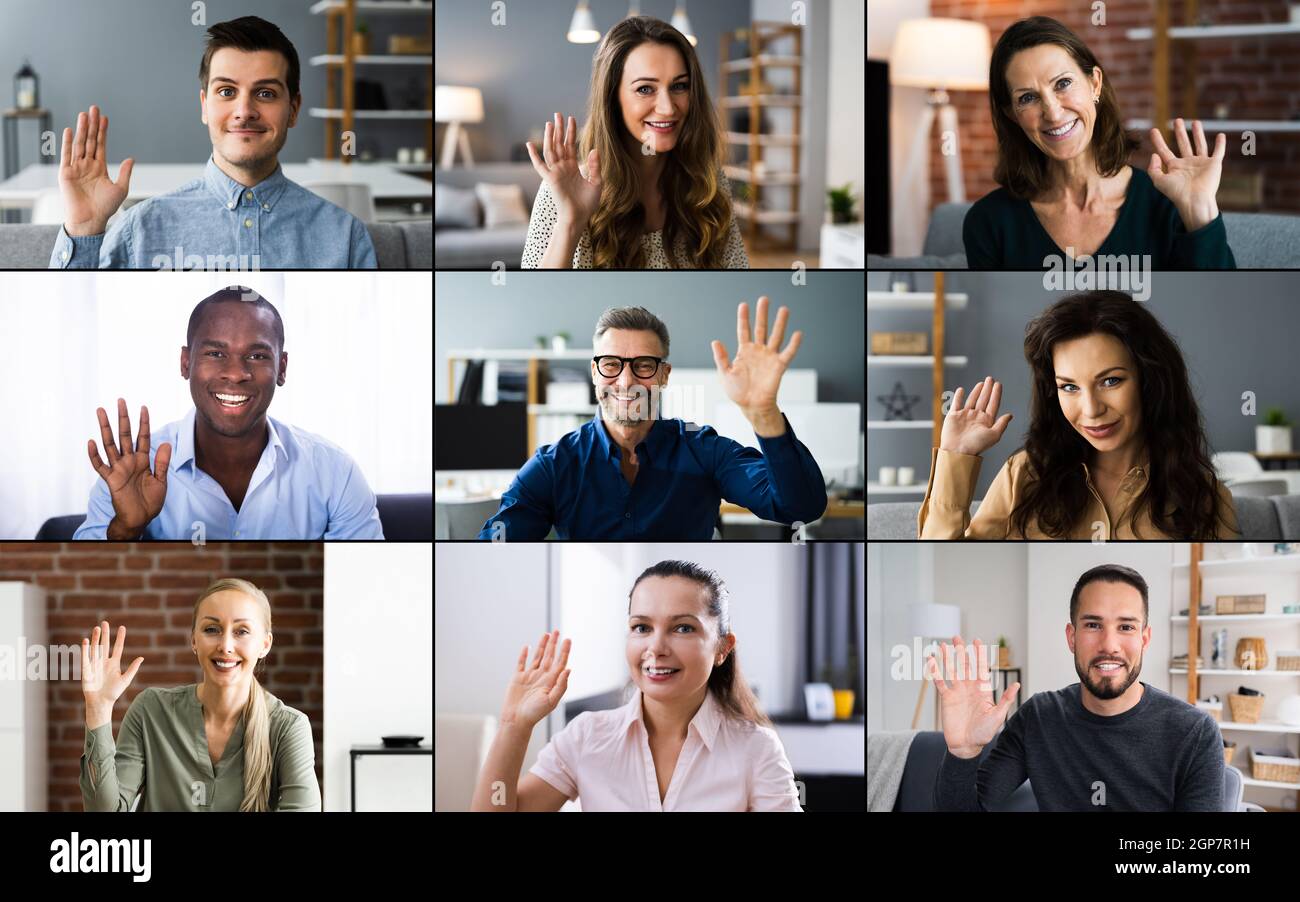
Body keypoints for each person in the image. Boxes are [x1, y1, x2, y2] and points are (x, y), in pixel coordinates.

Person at [477, 300, 826, 539]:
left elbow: (799, 507)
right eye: (612, 364)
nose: (626, 381)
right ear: (595, 373)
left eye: (643, 365)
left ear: (664, 375)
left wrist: (763, 413)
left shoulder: (702, 448)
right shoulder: (555, 465)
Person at [469, 560, 801, 811]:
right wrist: (514, 726)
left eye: (683, 628)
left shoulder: (756, 748)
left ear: (722, 649)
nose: (656, 648)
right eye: (641, 627)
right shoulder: (586, 736)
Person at [50, 16, 376, 270]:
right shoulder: (142, 230)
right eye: (227, 91)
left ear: (293, 109)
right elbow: (66, 329)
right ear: (204, 105)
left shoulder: (345, 236)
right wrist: (84, 228)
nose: (244, 111)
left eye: (265, 93)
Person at [918, 291, 1237, 539]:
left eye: (1110, 381)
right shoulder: (1025, 475)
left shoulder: (1206, 497)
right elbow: (948, 565)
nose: (1091, 409)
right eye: (1069, 387)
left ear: (1150, 380)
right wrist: (956, 456)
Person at [74, 286, 383, 540]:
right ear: (186, 363)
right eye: (216, 353)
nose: (236, 373)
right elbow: (84, 583)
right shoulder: (131, 470)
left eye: (257, 355)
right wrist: (126, 529)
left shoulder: (335, 473)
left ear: (282, 368)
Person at [930, 564, 1224, 812]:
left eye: (1126, 627)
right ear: (1072, 637)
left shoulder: (1195, 733)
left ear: (1144, 639)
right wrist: (963, 751)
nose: (1109, 645)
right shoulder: (1038, 717)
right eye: (1093, 625)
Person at [962, 16, 1235, 269]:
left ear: (1095, 84)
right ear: (1013, 116)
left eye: (1063, 83)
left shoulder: (1167, 205)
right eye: (1028, 98)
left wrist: (1199, 213)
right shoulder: (989, 222)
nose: (1053, 113)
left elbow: (1222, 309)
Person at [521, 15, 747, 269]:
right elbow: (543, 298)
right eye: (645, 89)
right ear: (612, 98)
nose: (667, 108)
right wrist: (570, 222)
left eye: (680, 86)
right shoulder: (563, 191)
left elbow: (738, 268)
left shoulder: (709, 182)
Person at [80, 578, 321, 811]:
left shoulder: (288, 727)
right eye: (212, 629)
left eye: (242, 631)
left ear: (265, 645)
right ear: (194, 640)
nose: (225, 645)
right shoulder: (151, 710)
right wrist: (98, 709)